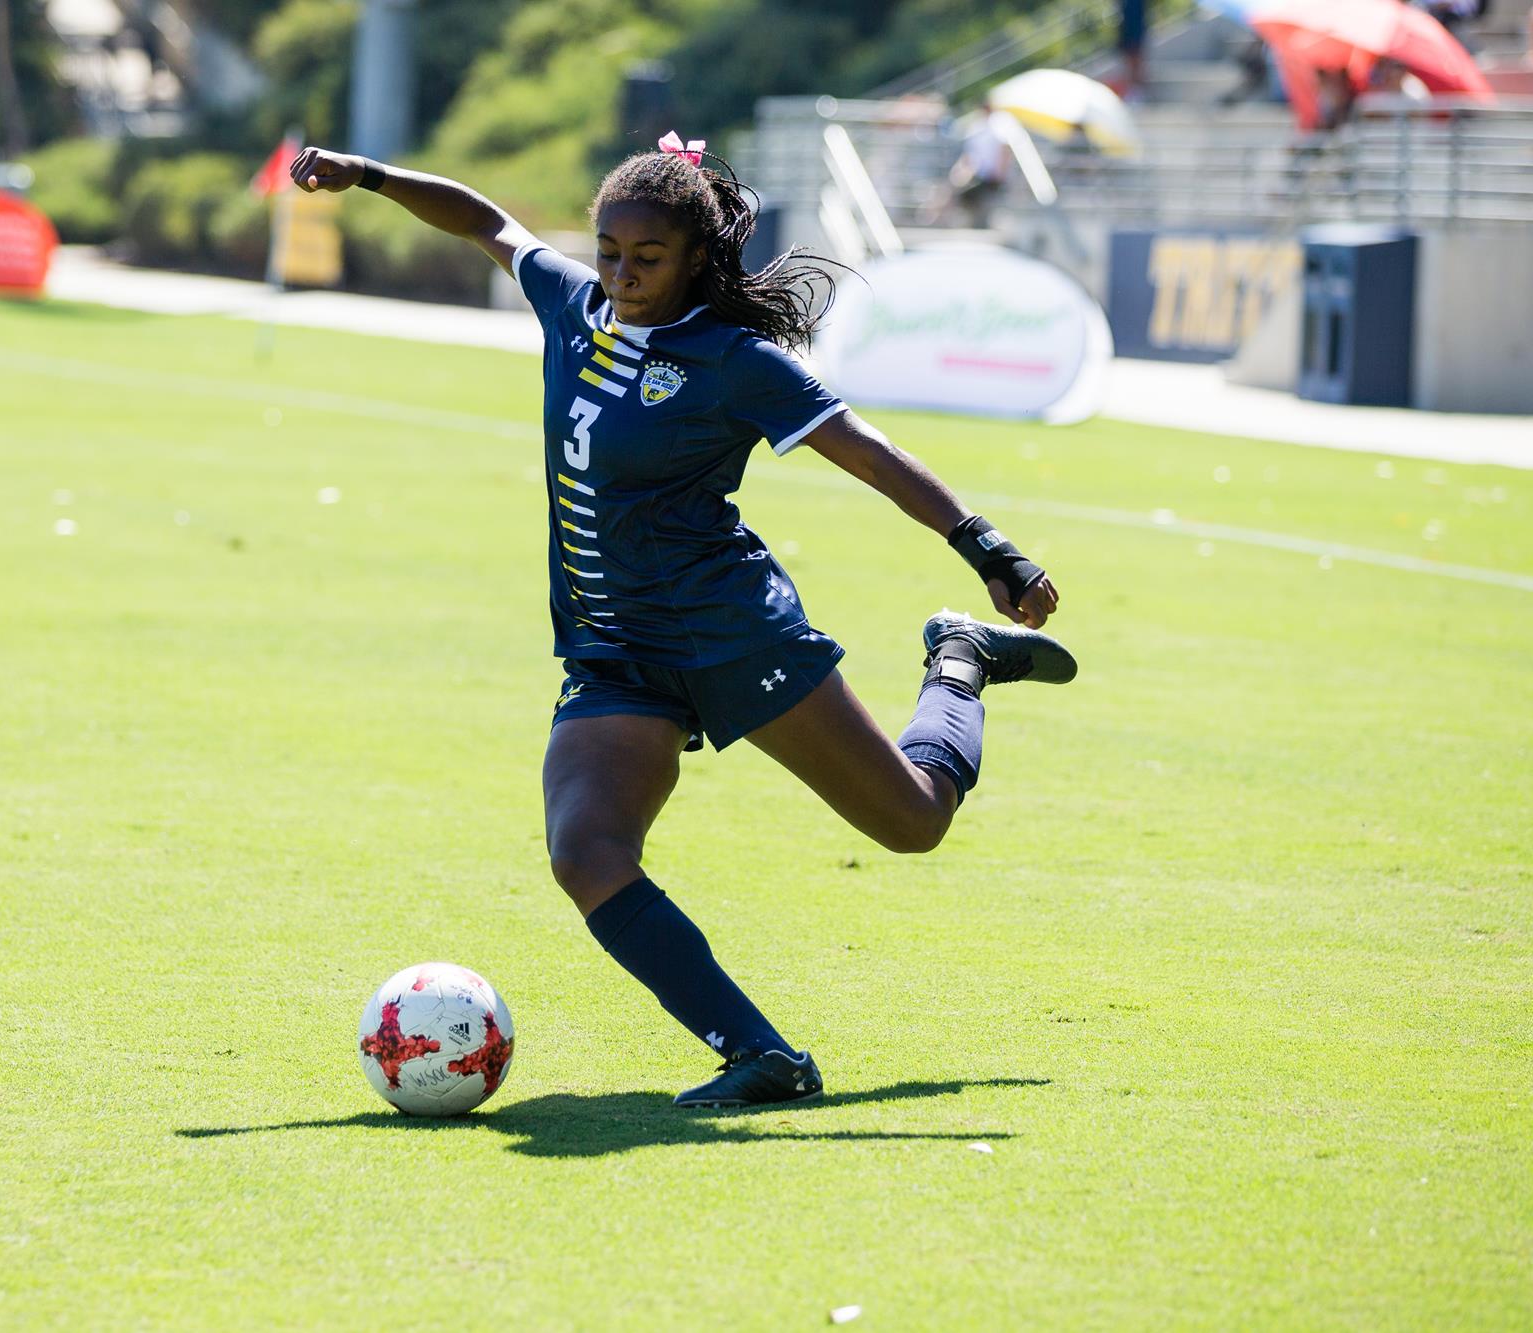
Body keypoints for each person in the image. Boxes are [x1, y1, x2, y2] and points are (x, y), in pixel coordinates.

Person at [289, 136, 1073, 1109]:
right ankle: (762, 1056)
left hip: (727, 631)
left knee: (911, 823)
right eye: (609, 250)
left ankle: (957, 658)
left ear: (695, 258)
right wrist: (366, 175)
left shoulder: (733, 362)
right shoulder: (572, 306)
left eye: (645, 258)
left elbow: (864, 452)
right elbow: (485, 219)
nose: (619, 274)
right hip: (614, 654)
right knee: (585, 852)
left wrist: (985, 545)